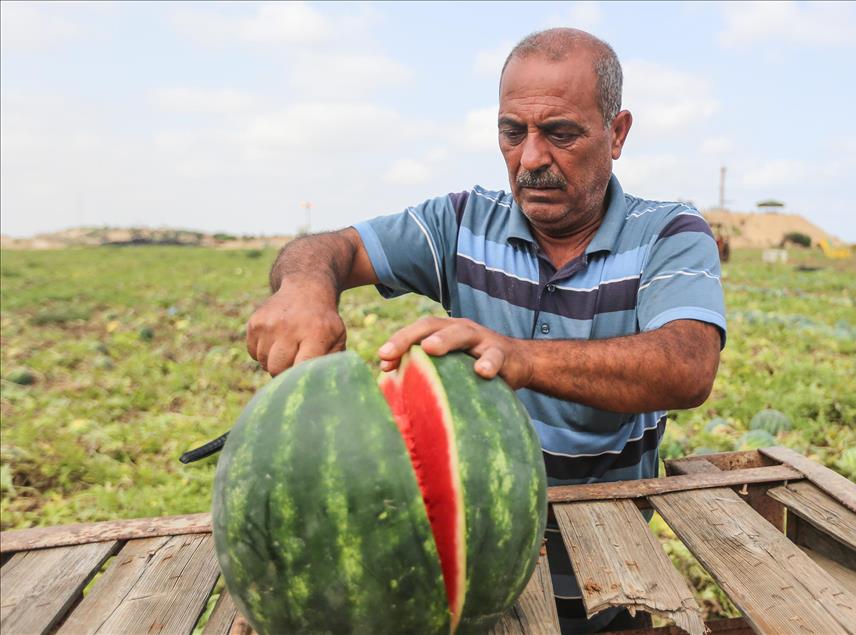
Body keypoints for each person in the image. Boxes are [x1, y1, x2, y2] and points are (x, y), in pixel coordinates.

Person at [246, 27, 725, 633]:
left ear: (618, 132)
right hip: (465, 557)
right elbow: (330, 248)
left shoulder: (668, 233)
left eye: (560, 133)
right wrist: (304, 290)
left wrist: (518, 358)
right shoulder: (462, 221)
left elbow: (686, 365)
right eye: (511, 132)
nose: (530, 159)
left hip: (608, 552)